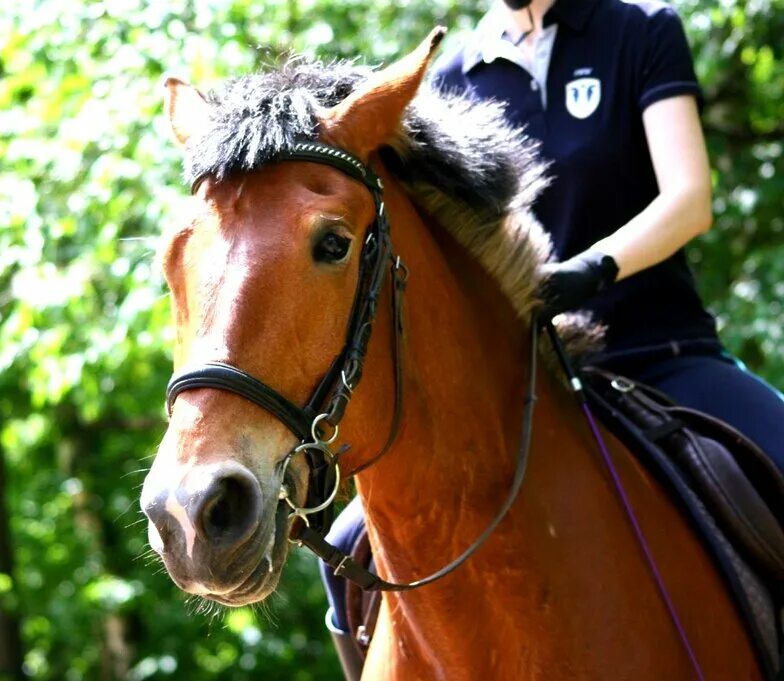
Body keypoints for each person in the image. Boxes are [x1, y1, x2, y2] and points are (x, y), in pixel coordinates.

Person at [320, 0, 784, 645]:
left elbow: (689, 199)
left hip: (658, 354)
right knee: (344, 552)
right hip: (514, 387)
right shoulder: (449, 77)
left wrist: (584, 274)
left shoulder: (642, 29)